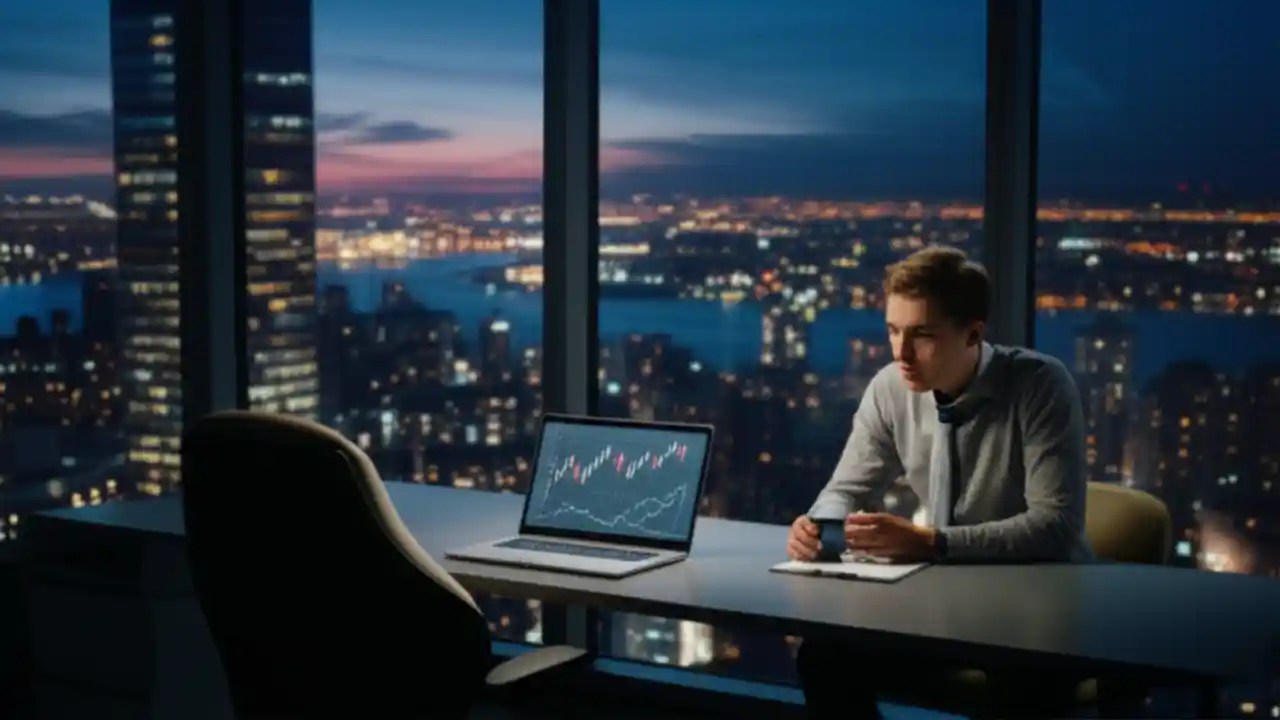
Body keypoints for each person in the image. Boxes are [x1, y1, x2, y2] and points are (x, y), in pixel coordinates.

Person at [786, 246, 1092, 719]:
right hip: (940, 599)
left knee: (1028, 683)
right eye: (893, 330)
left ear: (972, 334)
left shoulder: (1039, 385)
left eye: (922, 335)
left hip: (1035, 603)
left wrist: (931, 543)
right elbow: (846, 489)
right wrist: (819, 525)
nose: (900, 352)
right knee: (824, 656)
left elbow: (1055, 526)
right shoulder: (890, 388)